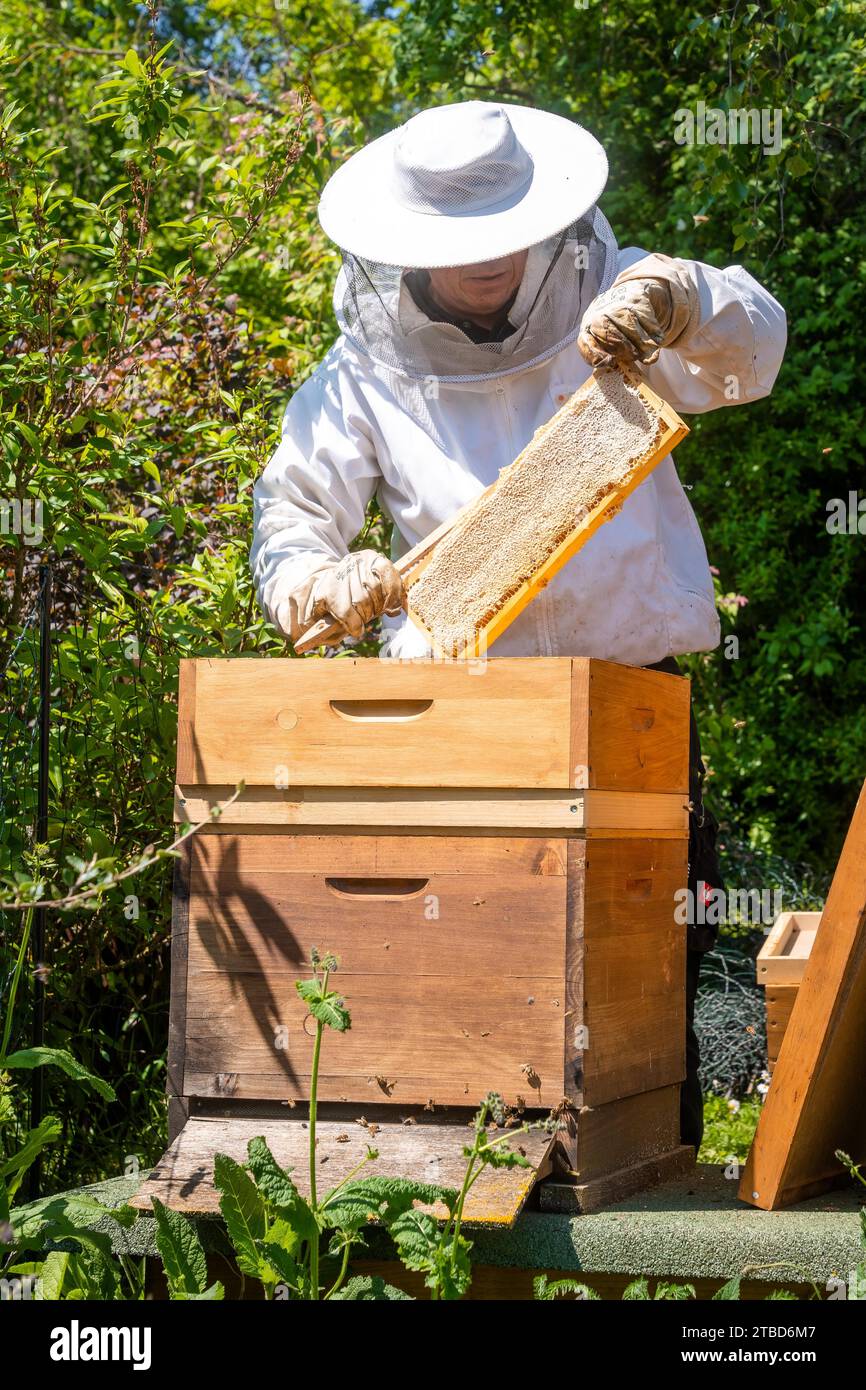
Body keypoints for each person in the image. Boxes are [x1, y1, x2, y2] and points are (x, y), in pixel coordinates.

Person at [250, 101, 787, 1148]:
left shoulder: (607, 290)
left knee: (640, 991)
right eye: (461, 244)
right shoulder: (359, 370)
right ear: (406, 244)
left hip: (633, 700)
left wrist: (680, 299)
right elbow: (289, 513)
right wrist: (316, 579)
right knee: (469, 977)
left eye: (504, 232)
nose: (490, 260)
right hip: (465, 720)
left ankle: (649, 1195)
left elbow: (749, 354)